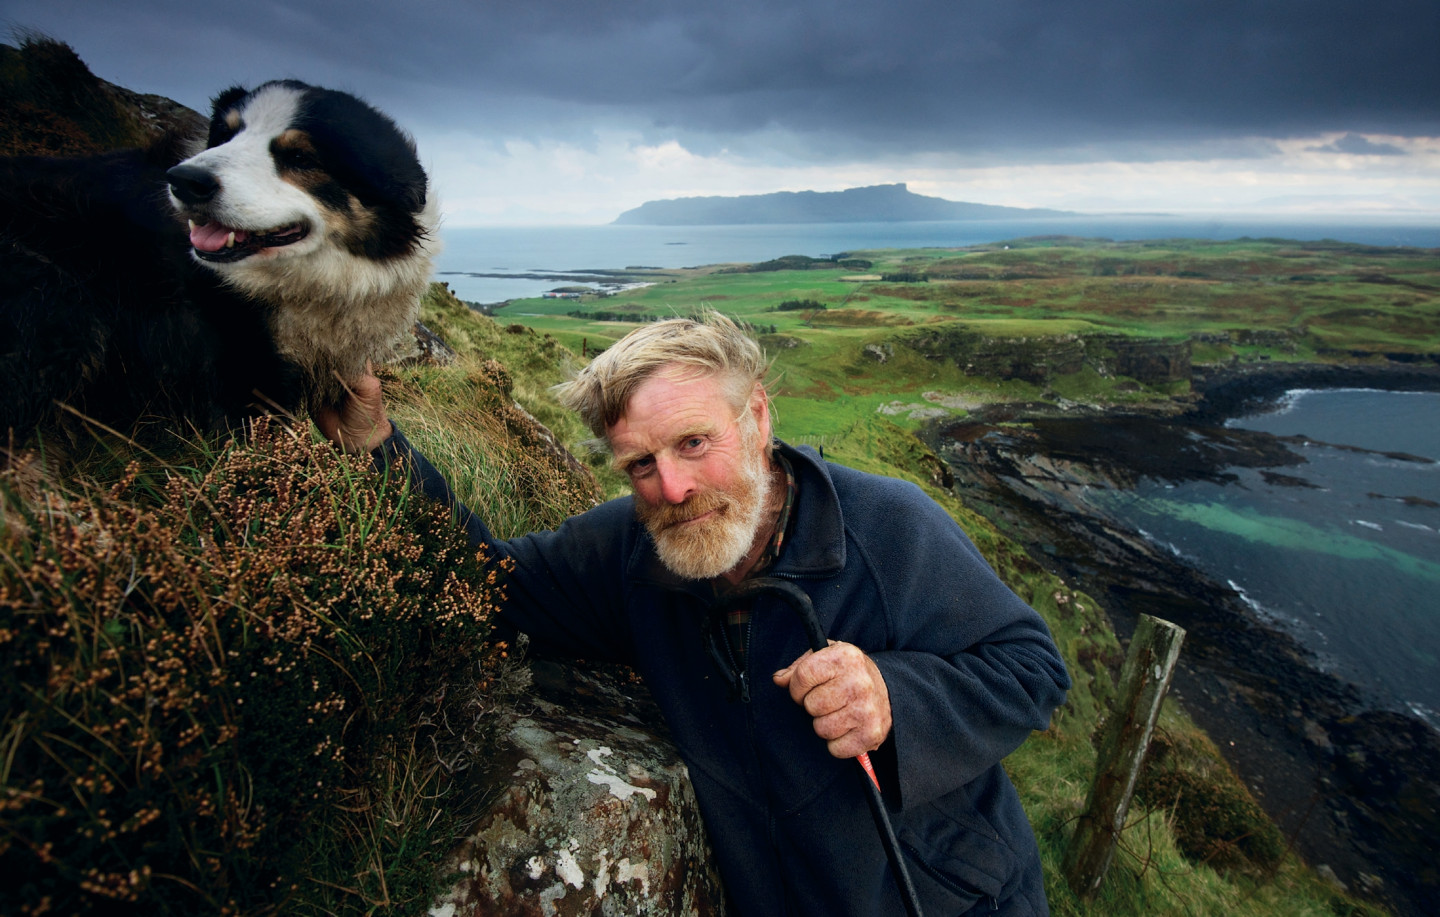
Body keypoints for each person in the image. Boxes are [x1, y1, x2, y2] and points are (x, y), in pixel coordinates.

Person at [315, 313, 1071, 916]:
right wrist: (375, 444)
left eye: (694, 442)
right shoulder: (627, 553)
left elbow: (1032, 667)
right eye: (640, 464)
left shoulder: (889, 526)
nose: (671, 487)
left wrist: (891, 698)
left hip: (955, 899)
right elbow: (486, 584)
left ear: (759, 418)